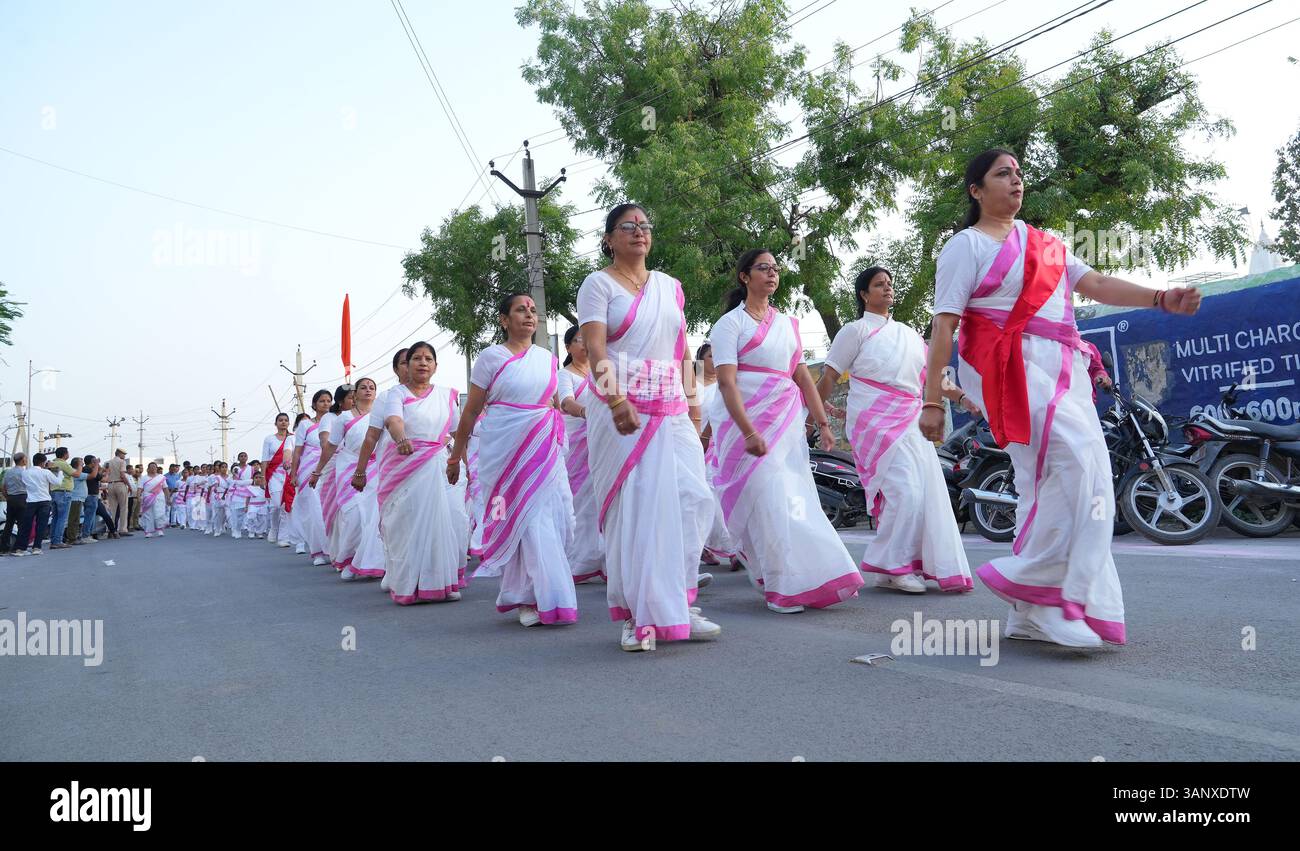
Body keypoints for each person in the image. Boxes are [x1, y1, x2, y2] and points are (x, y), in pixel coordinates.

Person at [923, 148, 1202, 648]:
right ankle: (1047, 590)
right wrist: (931, 401)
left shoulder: (1046, 244)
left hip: (1064, 367)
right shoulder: (964, 247)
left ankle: (1030, 611)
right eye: (1002, 174)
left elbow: (1094, 283)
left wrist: (1160, 298)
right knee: (1080, 467)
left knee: (1049, 480)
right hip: (1008, 367)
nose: (1015, 180)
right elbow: (945, 325)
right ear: (976, 190)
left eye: (1018, 173)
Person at [576, 202, 721, 651]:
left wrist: (694, 407)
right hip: (620, 406)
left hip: (671, 405)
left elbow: (682, 352)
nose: (639, 232)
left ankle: (676, 602)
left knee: (692, 499)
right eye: (627, 226)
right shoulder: (597, 285)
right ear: (609, 238)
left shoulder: (669, 288)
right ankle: (635, 614)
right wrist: (616, 398)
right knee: (634, 508)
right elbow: (596, 349)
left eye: (644, 226)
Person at [708, 250, 865, 613]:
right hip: (744, 426)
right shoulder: (730, 325)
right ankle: (779, 584)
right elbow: (728, 384)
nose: (772, 274)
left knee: (792, 499)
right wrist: (748, 431)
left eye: (776, 268)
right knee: (765, 502)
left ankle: (806, 575)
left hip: (785, 425)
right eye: (763, 268)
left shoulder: (788, 324)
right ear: (745, 277)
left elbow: (803, 379)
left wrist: (824, 424)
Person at [817, 264, 976, 594]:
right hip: (873, 423)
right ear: (864, 294)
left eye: (889, 283)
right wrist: (813, 418)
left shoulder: (909, 335)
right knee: (906, 491)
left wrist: (962, 397)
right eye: (879, 285)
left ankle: (898, 564)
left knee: (922, 494)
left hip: (910, 419)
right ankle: (890, 564)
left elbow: (934, 377)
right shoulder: (855, 331)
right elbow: (829, 377)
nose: (887, 289)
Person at [448, 295, 578, 627]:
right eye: (521, 310)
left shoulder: (547, 358)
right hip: (504, 448)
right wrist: (454, 456)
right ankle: (536, 598)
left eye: (533, 310)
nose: (529, 315)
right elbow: (472, 410)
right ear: (504, 320)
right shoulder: (491, 357)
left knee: (556, 516)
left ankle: (531, 592)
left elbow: (552, 403)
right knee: (524, 519)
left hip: (544, 447)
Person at [353, 342, 465, 605]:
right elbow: (393, 421)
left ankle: (438, 583)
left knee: (440, 522)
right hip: (402, 466)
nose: (422, 363)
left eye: (428, 358)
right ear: (405, 366)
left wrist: (458, 460)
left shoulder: (446, 395)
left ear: (436, 366)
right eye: (416, 358)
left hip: (437, 464)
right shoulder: (395, 395)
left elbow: (458, 433)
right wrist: (401, 439)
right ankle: (406, 583)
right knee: (404, 525)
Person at [556, 325, 605, 584]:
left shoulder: (602, 371)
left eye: (587, 339)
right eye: (578, 340)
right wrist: (586, 413)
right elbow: (565, 402)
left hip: (603, 443)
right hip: (577, 446)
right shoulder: (565, 375)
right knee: (581, 503)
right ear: (568, 347)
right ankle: (580, 560)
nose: (584, 344)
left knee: (604, 500)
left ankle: (609, 560)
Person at [327, 378, 380, 577]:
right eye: (363, 387)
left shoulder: (381, 414)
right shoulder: (344, 417)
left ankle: (370, 562)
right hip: (349, 468)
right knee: (354, 515)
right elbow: (331, 446)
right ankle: (349, 559)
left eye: (372, 388)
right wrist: (317, 470)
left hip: (377, 469)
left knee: (374, 517)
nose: (368, 390)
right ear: (354, 394)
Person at [694, 342, 738, 569]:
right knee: (706, 496)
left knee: (724, 496)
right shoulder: (690, 384)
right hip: (698, 447)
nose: (714, 360)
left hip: (724, 446)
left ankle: (721, 547)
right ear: (700, 359)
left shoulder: (727, 384)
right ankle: (726, 549)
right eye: (710, 356)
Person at [289, 390, 332, 562]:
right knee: (313, 511)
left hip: (330, 467)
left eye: (329, 401)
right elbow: (297, 451)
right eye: (322, 401)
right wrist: (293, 474)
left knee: (329, 510)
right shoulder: (305, 425)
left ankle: (335, 550)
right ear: (314, 405)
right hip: (308, 471)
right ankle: (318, 552)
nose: (326, 404)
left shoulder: (335, 421)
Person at [313, 384, 354, 553]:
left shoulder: (363, 416)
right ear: (340, 401)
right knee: (337, 509)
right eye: (351, 397)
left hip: (359, 464)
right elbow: (326, 442)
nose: (355, 400)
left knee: (356, 509)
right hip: (335, 463)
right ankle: (339, 552)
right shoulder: (329, 418)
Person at [11, 453, 63, 556]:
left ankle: (21, 548)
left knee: (26, 525)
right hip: (44, 501)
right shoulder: (45, 472)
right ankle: (36, 548)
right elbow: (58, 482)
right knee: (41, 525)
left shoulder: (25, 473)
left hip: (30, 501)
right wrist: (60, 472)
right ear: (43, 462)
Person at [261, 413, 295, 546]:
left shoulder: (293, 438)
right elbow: (264, 459)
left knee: (285, 505)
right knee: (275, 505)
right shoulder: (269, 439)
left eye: (286, 420)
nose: (283, 422)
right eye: (280, 420)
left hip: (288, 475)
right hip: (274, 475)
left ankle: (283, 537)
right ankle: (274, 528)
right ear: (276, 423)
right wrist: (263, 478)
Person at [48, 448, 77, 550]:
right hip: (64, 492)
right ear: (65, 454)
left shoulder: (52, 463)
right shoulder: (63, 464)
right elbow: (76, 474)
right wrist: (80, 465)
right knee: (62, 518)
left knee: (55, 518)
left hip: (54, 491)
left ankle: (53, 540)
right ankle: (58, 541)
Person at [103, 449, 132, 538]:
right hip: (120, 484)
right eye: (124, 454)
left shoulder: (107, 462)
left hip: (110, 485)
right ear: (119, 454)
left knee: (112, 509)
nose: (124, 456)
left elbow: (104, 474)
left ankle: (111, 529)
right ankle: (123, 529)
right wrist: (129, 485)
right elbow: (122, 475)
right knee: (123, 508)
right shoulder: (122, 462)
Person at [2, 453, 28, 553]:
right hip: (22, 498)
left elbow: (3, 487)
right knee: (22, 524)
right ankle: (19, 547)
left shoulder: (8, 472)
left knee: (9, 524)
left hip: (11, 499)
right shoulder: (25, 472)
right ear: (22, 460)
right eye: (25, 458)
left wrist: (8, 497)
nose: (26, 460)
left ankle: (3, 547)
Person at [139, 463, 169, 538]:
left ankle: (160, 529)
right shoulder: (144, 478)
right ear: (148, 469)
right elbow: (140, 488)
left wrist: (168, 498)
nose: (153, 468)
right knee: (148, 514)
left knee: (159, 513)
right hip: (147, 497)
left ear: (156, 468)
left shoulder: (161, 477)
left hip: (159, 497)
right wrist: (138, 496)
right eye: (151, 467)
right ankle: (148, 531)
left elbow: (165, 488)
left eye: (154, 467)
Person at [64, 457, 88, 545]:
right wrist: (96, 465)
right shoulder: (76, 473)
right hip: (76, 499)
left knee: (75, 519)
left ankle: (73, 536)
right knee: (74, 519)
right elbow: (93, 475)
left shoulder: (75, 472)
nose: (83, 464)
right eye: (81, 463)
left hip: (77, 498)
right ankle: (72, 538)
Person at [244, 473, 270, 538]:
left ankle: (259, 532)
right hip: (253, 505)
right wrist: (246, 507)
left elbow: (268, 497)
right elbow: (248, 498)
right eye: (256, 477)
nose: (258, 479)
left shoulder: (264, 487)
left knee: (262, 519)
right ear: (253, 479)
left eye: (260, 477)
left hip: (263, 505)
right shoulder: (250, 488)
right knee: (251, 517)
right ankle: (251, 531)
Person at [127, 464, 143, 533]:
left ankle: (136, 525)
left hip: (138, 496)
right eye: (136, 471)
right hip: (131, 497)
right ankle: (130, 526)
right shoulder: (129, 477)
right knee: (131, 512)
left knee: (137, 512)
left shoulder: (140, 478)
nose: (137, 473)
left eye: (139, 472)